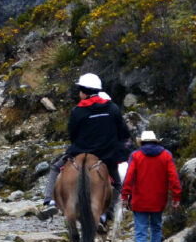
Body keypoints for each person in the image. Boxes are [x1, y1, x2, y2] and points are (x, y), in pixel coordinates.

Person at [40, 73, 130, 223]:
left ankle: (50, 201)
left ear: (83, 91)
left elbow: (73, 134)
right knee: (117, 184)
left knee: (56, 168)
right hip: (106, 156)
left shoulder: (78, 110)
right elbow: (123, 132)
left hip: (81, 152)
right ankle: (106, 213)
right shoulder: (112, 108)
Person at [121, 130, 181, 242]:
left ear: (142, 142)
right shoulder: (166, 155)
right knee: (156, 227)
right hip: (158, 200)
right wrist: (176, 197)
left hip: (139, 200)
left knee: (140, 231)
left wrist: (125, 196)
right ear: (156, 141)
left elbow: (128, 178)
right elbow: (174, 177)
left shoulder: (136, 156)